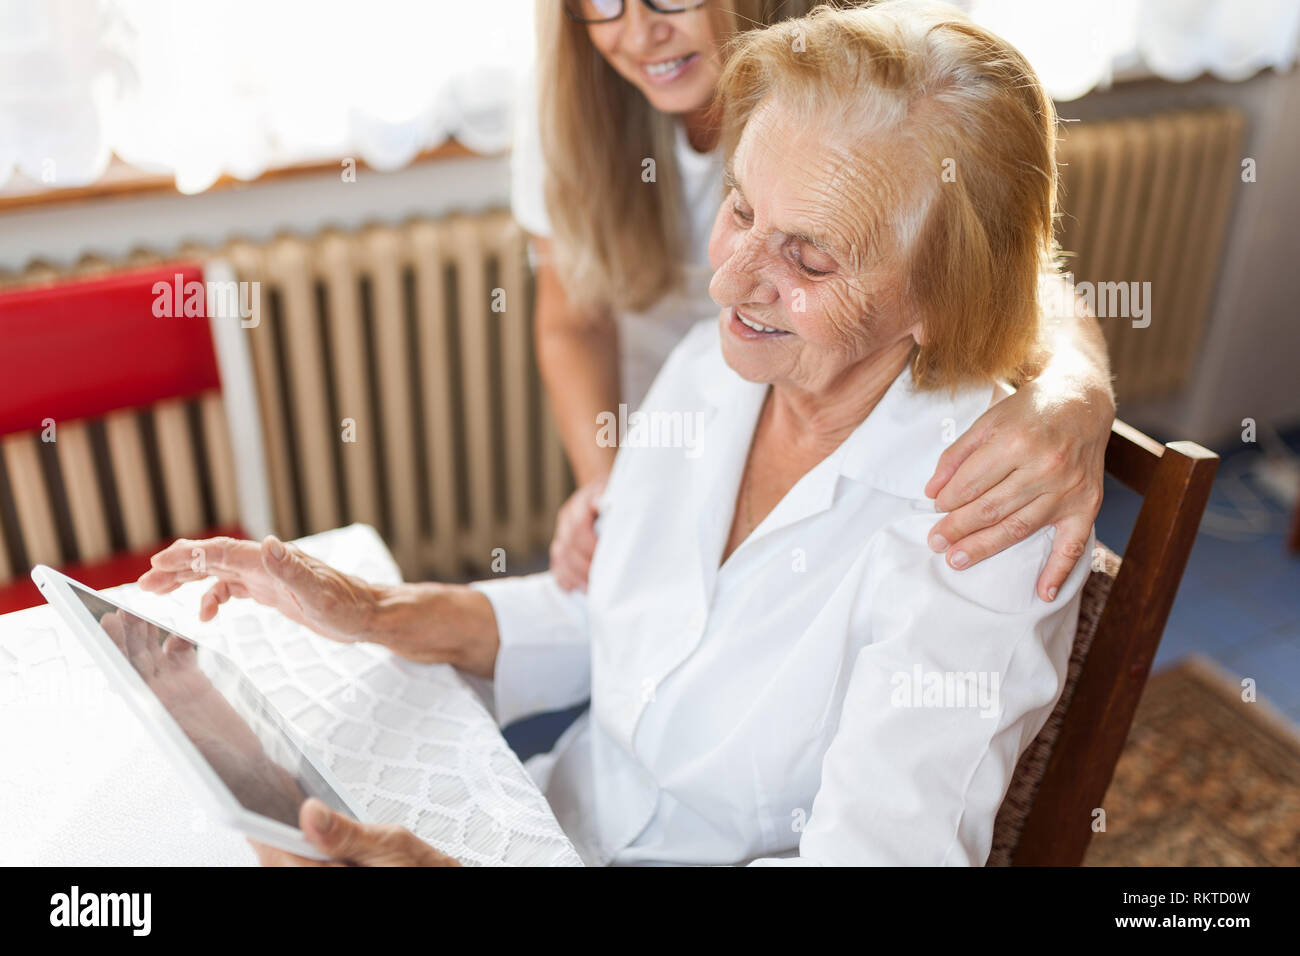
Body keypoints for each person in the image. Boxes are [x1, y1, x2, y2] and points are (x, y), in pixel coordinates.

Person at [142, 0, 1094, 866]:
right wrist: (369, 612)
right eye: (741, 211)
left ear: (946, 294)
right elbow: (610, 623)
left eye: (809, 254)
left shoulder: (982, 524)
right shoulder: (712, 371)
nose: (727, 282)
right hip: (549, 822)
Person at [523, 0, 1114, 603]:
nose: (638, 33)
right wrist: (613, 498)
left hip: (836, 401)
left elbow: (994, 267)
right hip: (683, 419)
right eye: (601, 0)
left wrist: (1078, 388)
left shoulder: (848, 64)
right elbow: (572, 324)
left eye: (811, 257)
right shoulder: (572, 111)